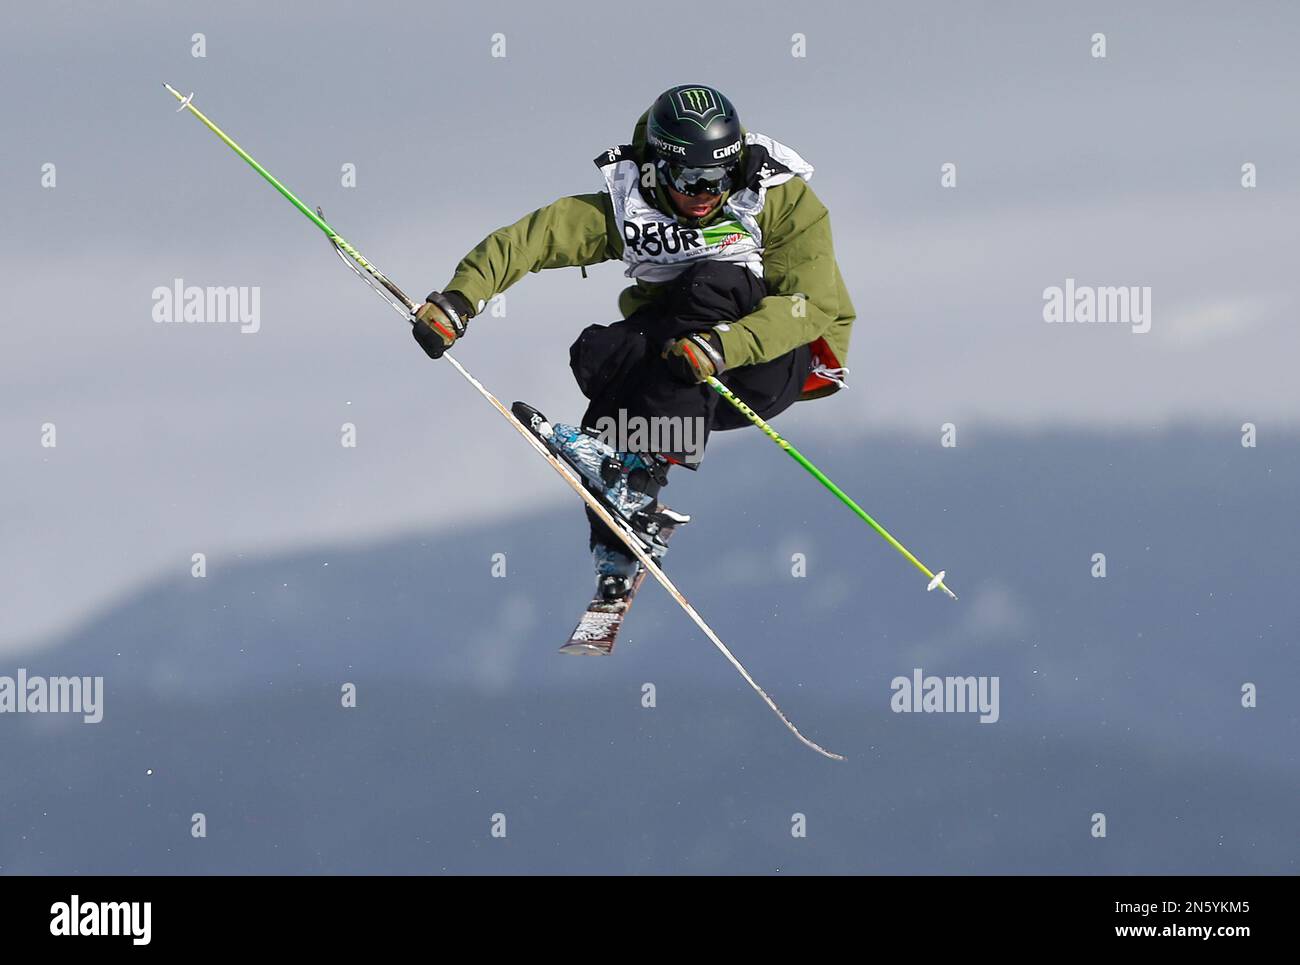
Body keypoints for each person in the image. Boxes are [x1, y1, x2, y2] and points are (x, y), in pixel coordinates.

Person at [411, 84, 855, 598]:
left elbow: (810, 305)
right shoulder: (632, 206)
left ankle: (641, 473)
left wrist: (723, 346)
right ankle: (618, 531)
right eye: (691, 178)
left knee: (714, 281)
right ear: (658, 167)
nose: (707, 192)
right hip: (691, 368)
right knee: (609, 356)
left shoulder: (776, 197)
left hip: (772, 363)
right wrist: (460, 301)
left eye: (720, 176)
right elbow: (533, 239)